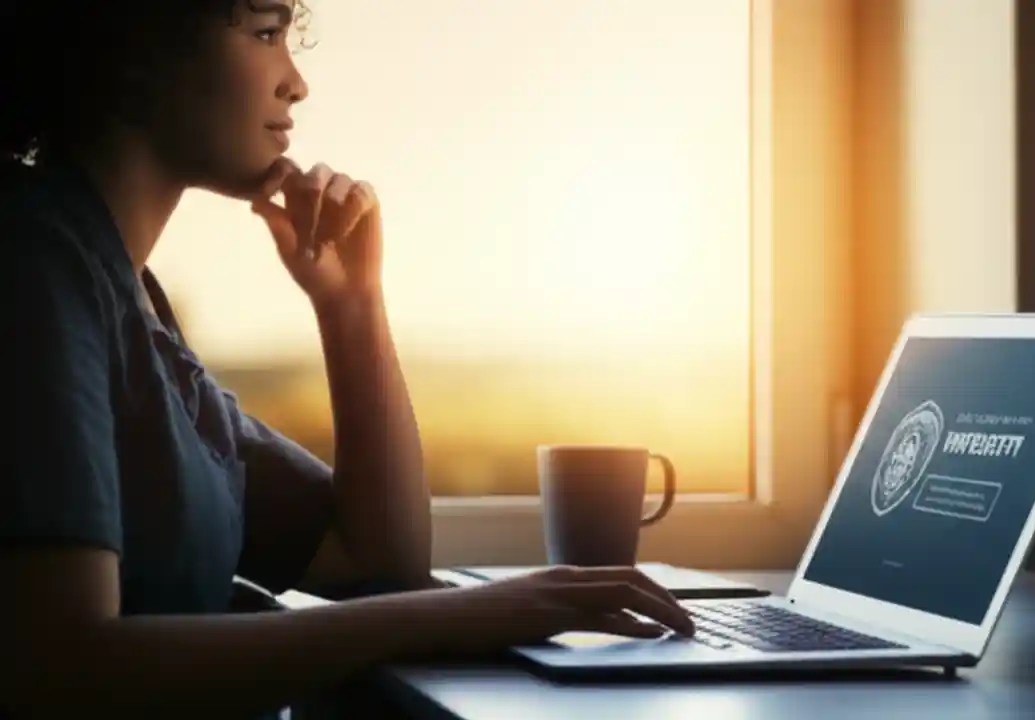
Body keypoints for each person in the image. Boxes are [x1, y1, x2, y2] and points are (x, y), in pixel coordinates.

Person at [0, 1, 694, 716]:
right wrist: (464, 614)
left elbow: (374, 558)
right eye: (266, 35)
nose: (295, 83)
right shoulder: (36, 266)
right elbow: (57, 663)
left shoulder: (130, 297)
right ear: (140, 47)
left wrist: (351, 305)